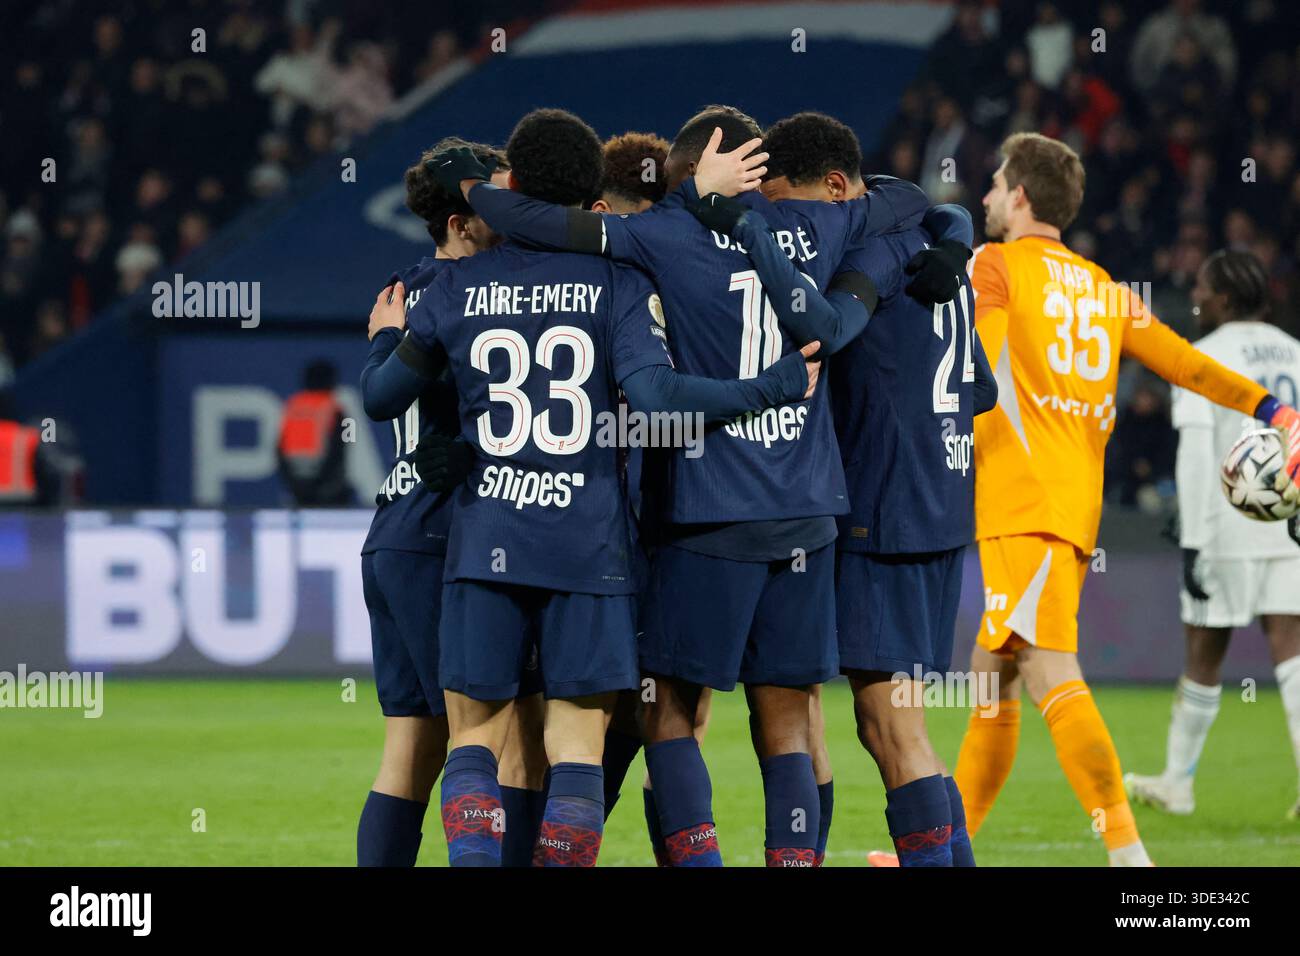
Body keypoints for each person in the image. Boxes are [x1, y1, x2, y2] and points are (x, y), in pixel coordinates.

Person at [431, 104, 937, 865]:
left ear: (689, 175)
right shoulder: (828, 229)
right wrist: (955, 233)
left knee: (666, 712)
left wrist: (692, 199)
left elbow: (523, 216)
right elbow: (914, 202)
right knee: (791, 720)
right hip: (808, 514)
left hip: (711, 512)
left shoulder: (661, 236)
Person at [364, 107, 823, 867]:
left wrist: (389, 339)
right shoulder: (619, 279)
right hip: (588, 545)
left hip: (487, 542)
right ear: (591, 191)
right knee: (575, 747)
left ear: (515, 187)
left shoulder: (455, 287)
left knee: (475, 740)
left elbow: (383, 398)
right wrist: (769, 386)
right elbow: (657, 397)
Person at [951, 133, 1300, 866]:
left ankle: (1127, 852)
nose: (983, 197)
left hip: (1023, 504)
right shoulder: (1104, 289)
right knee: (994, 674)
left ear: (1020, 197)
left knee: (1048, 671)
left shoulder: (995, 264)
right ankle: (950, 849)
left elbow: (975, 371)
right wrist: (1274, 411)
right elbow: (1186, 363)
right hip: (1072, 510)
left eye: (993, 185)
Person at [354, 138, 511, 867]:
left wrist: (381, 351)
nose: (507, 207)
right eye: (492, 196)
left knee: (411, 746)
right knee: (490, 735)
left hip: (392, 531)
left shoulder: (402, 291)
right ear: (458, 219)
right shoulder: (482, 292)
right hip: (444, 528)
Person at [1125, 249, 1300, 820]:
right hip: (1288, 524)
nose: (1195, 297)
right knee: (1293, 653)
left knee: (1204, 653)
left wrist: (1193, 541)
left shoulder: (1202, 356)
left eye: (1201, 287)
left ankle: (1178, 781)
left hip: (1226, 527)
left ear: (1224, 297)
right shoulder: (1294, 351)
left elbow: (1200, 454)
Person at [277, 360, 351, 506]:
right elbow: (339, 451)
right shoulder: (335, 410)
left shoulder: (293, 407)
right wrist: (319, 484)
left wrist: (295, 485)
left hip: (296, 488)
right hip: (326, 491)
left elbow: (279, 449)